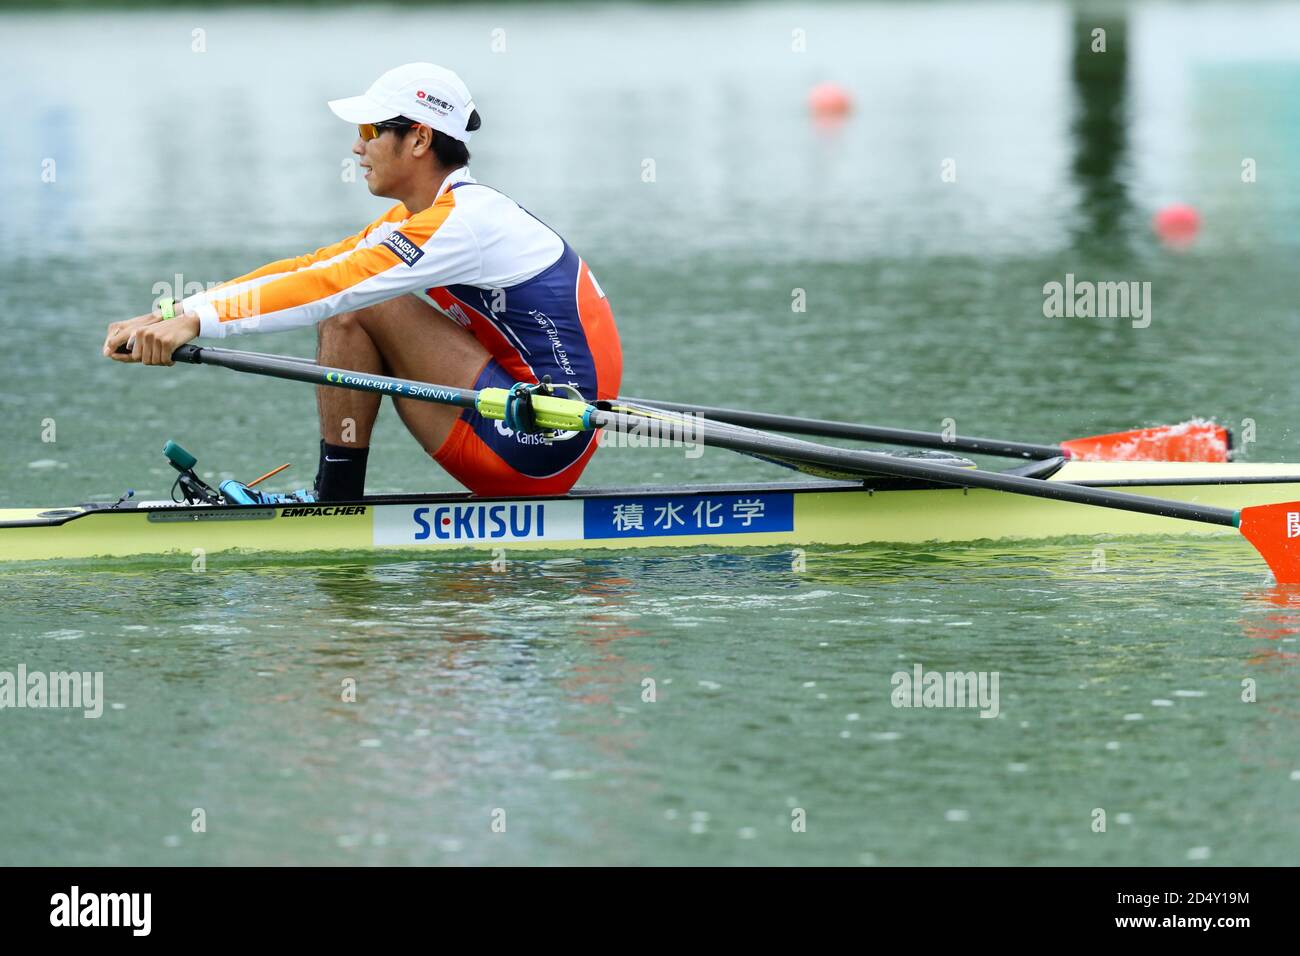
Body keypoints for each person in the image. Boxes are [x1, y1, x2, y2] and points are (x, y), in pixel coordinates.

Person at [102, 62, 622, 502]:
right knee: (346, 293)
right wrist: (175, 313)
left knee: (359, 303)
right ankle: (336, 500)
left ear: (419, 138)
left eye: (372, 131)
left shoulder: (464, 220)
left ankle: (334, 503)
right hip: (504, 421)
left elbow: (331, 287)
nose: (357, 147)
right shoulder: (418, 217)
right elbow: (310, 268)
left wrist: (198, 322)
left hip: (543, 436)